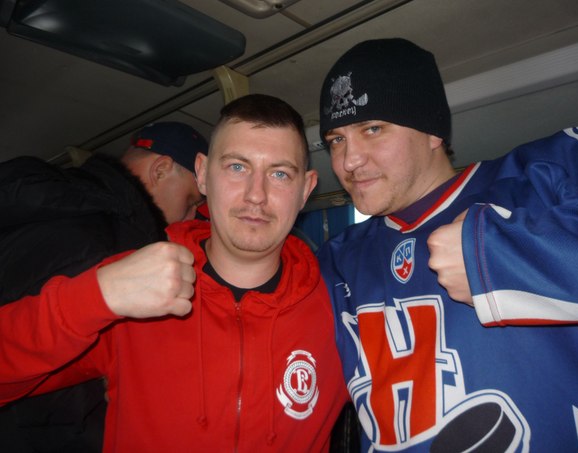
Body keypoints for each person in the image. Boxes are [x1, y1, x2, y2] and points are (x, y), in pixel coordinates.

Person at [0, 94, 349, 452]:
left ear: (305, 189)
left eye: (279, 174)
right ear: (202, 174)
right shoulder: (133, 288)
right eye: (237, 167)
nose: (255, 195)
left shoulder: (340, 306)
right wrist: (96, 296)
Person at [316, 38, 578, 452]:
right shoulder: (335, 260)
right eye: (335, 140)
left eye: (372, 129)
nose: (348, 161)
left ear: (432, 130)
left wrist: (493, 255)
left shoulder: (543, 176)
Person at [0, 121, 207, 452]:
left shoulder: (45, 196)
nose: (191, 217)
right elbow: (61, 400)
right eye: (191, 200)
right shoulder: (110, 248)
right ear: (160, 170)